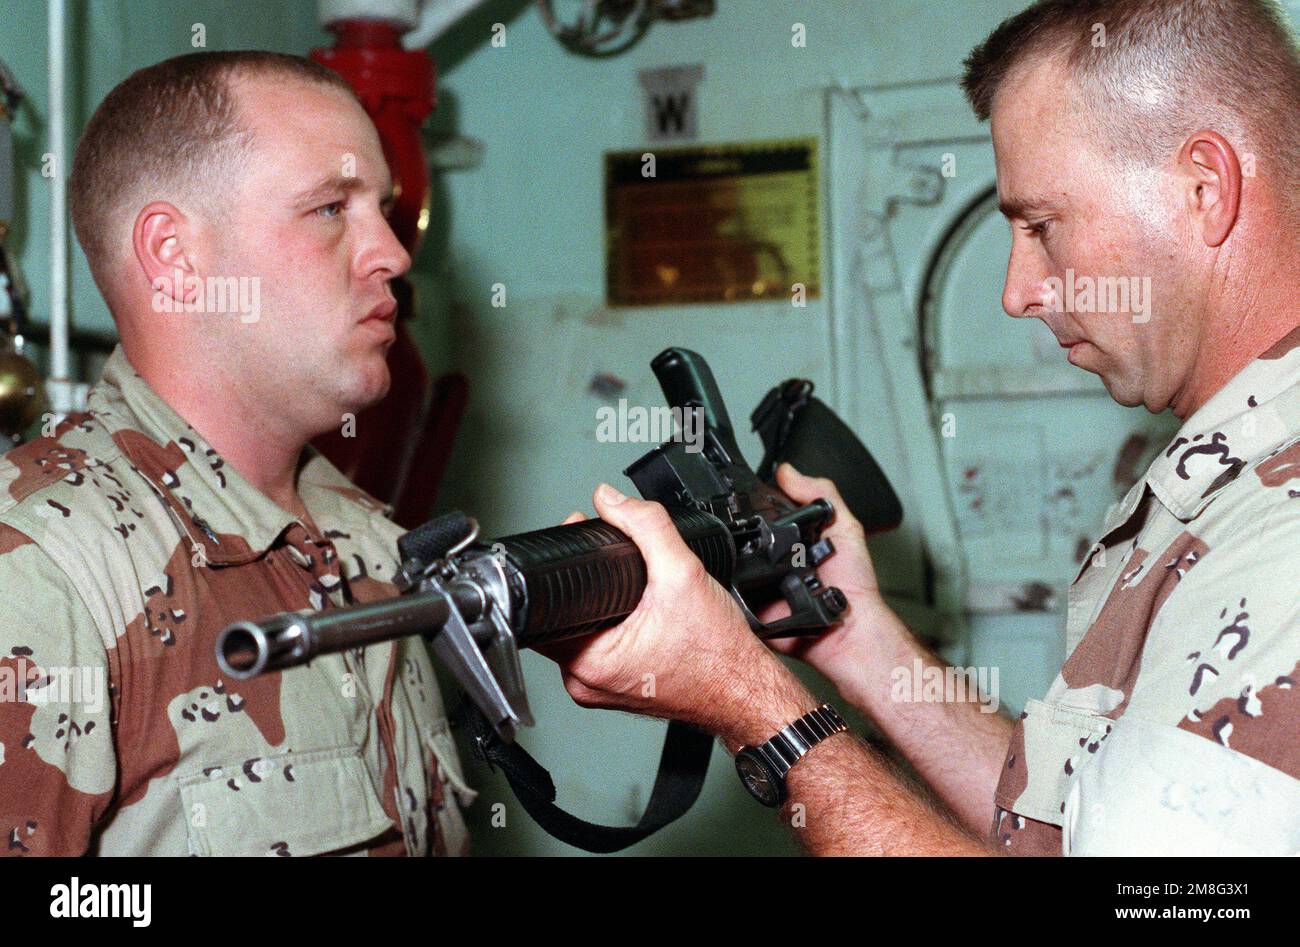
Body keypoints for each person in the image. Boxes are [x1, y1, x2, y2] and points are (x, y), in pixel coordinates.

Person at [544, 0, 1300, 855]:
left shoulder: (1284, 523)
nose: (1017, 292)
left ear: (1205, 189)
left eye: (1042, 226)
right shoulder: (1238, 474)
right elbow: (1060, 826)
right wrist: (857, 636)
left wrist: (746, 695)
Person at [0, 52, 472, 856]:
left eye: (383, 209)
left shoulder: (373, 541)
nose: (392, 254)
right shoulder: (40, 570)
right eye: (331, 207)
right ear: (175, 256)